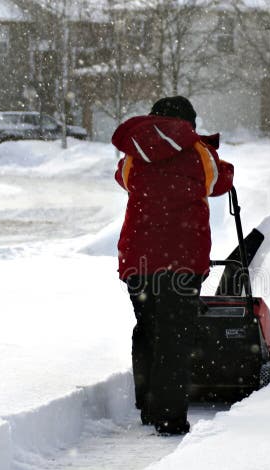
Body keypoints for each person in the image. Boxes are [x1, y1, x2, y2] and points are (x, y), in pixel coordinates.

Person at [111, 96, 234, 435]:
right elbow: (217, 183)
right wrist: (219, 161)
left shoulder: (134, 154)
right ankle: (170, 418)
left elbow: (123, 178)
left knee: (147, 329)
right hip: (181, 260)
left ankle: (149, 408)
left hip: (138, 261)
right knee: (174, 336)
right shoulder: (198, 151)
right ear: (188, 122)